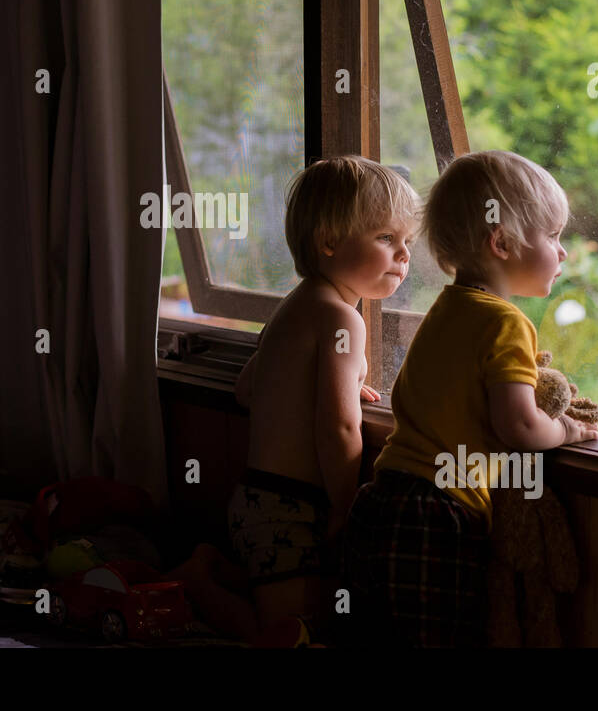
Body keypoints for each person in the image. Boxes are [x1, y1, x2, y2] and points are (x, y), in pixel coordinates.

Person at [340, 149, 598, 647]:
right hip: (437, 512)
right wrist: (567, 429)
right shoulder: (506, 322)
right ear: (500, 241)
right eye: (554, 236)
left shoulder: (446, 310)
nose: (563, 252)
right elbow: (519, 427)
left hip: (381, 498)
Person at [165, 155, 419, 646]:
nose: (404, 255)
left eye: (406, 242)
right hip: (291, 507)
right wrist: (347, 506)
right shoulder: (344, 320)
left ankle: (215, 567)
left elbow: (247, 389)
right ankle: (198, 582)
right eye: (387, 239)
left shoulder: (295, 305)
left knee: (307, 605)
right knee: (282, 633)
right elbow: (340, 428)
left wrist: (329, 383)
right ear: (328, 242)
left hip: (258, 496)